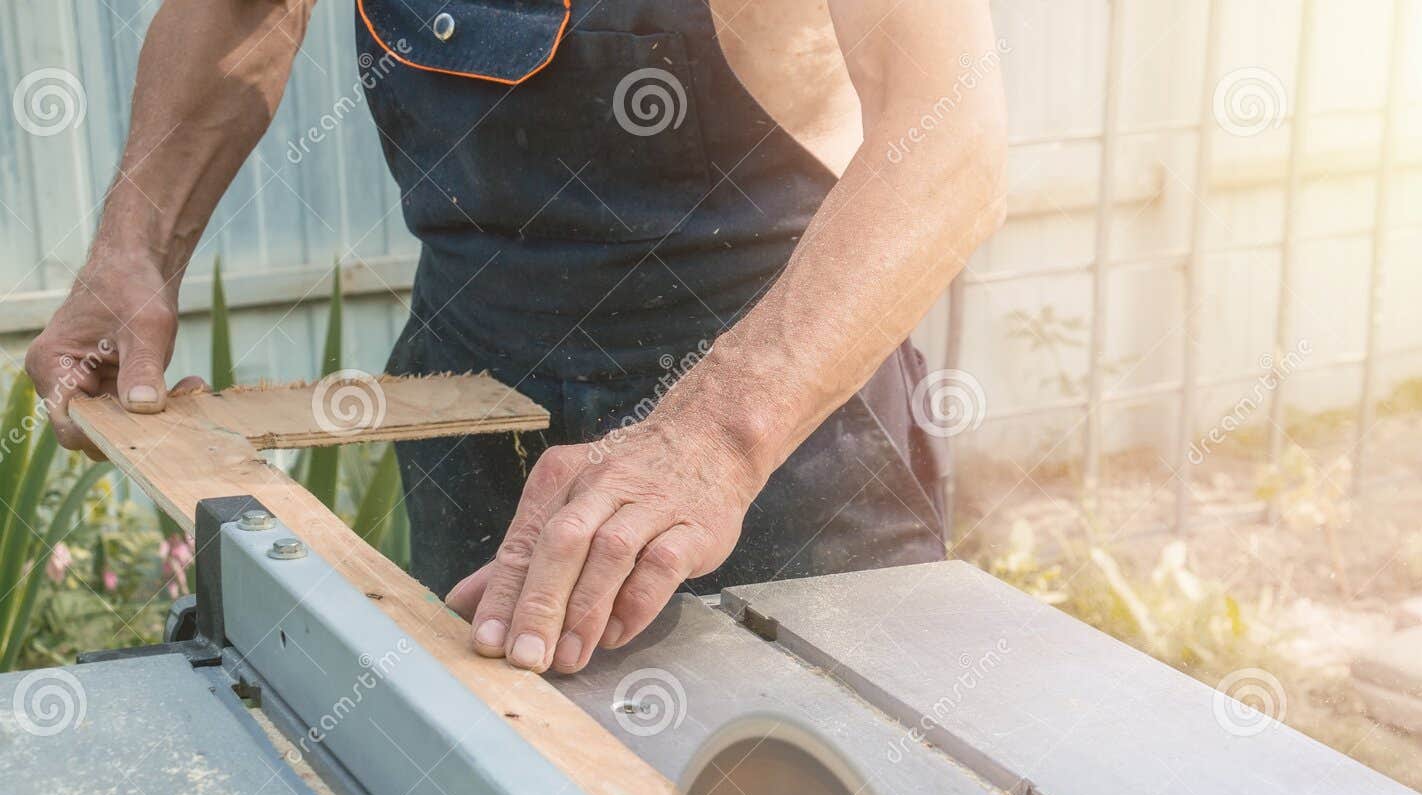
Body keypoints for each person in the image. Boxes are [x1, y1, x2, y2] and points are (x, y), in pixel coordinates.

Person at [26, 0, 1007, 674]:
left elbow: (949, 138)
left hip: (774, 408)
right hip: (476, 380)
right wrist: (135, 249)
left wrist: (712, 440)